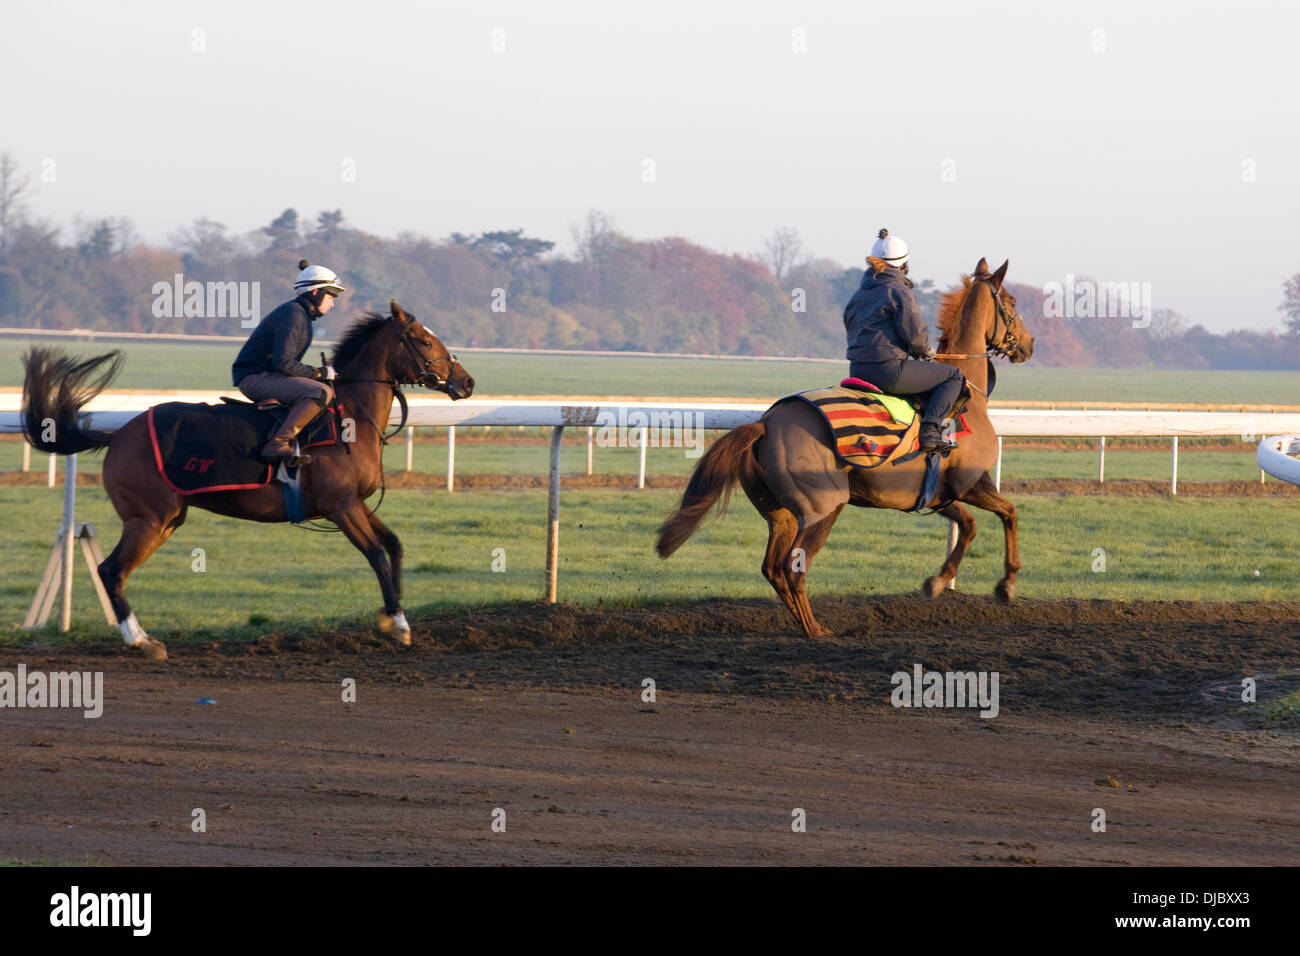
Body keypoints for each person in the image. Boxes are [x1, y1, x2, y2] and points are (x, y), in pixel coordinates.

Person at [843, 229, 963, 453]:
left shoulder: (858, 293)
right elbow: (915, 335)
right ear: (904, 264)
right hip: (888, 371)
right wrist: (925, 352)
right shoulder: (899, 291)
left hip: (857, 371)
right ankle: (929, 433)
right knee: (953, 376)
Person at [232, 259, 345, 464]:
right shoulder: (294, 315)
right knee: (320, 392)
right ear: (315, 292)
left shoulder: (298, 313)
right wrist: (321, 373)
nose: (332, 302)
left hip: (264, 375)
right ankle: (278, 443)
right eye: (331, 296)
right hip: (255, 378)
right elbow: (284, 364)